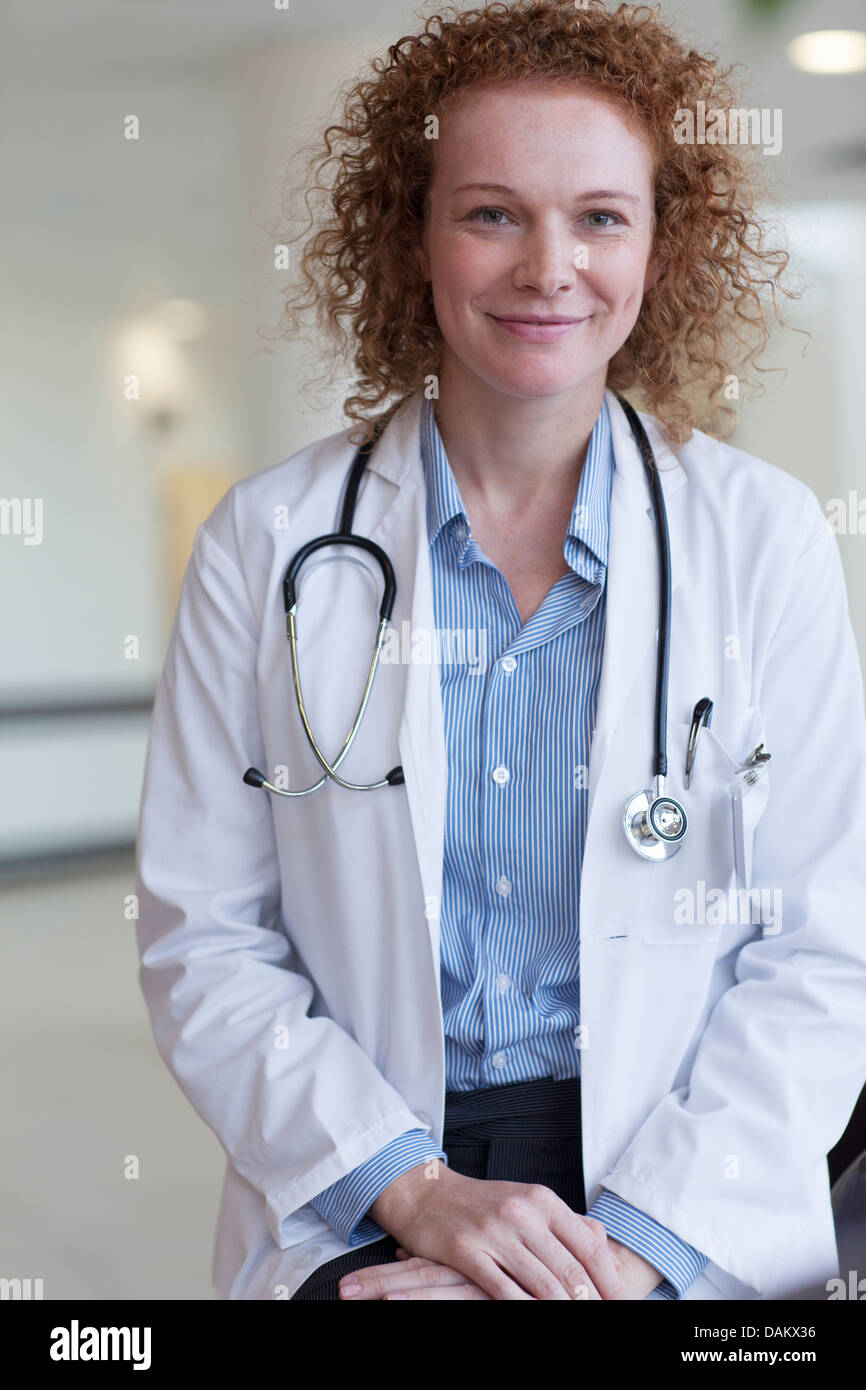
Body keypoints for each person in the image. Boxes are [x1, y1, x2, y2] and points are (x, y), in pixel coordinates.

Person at [135, 0, 866, 1301]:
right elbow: (206, 934)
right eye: (490, 212)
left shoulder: (761, 539)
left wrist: (632, 1253)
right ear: (411, 236)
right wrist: (411, 1192)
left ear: (659, 243)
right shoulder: (270, 541)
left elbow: (820, 948)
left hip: (685, 1172)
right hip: (362, 1165)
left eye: (597, 215)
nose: (547, 266)